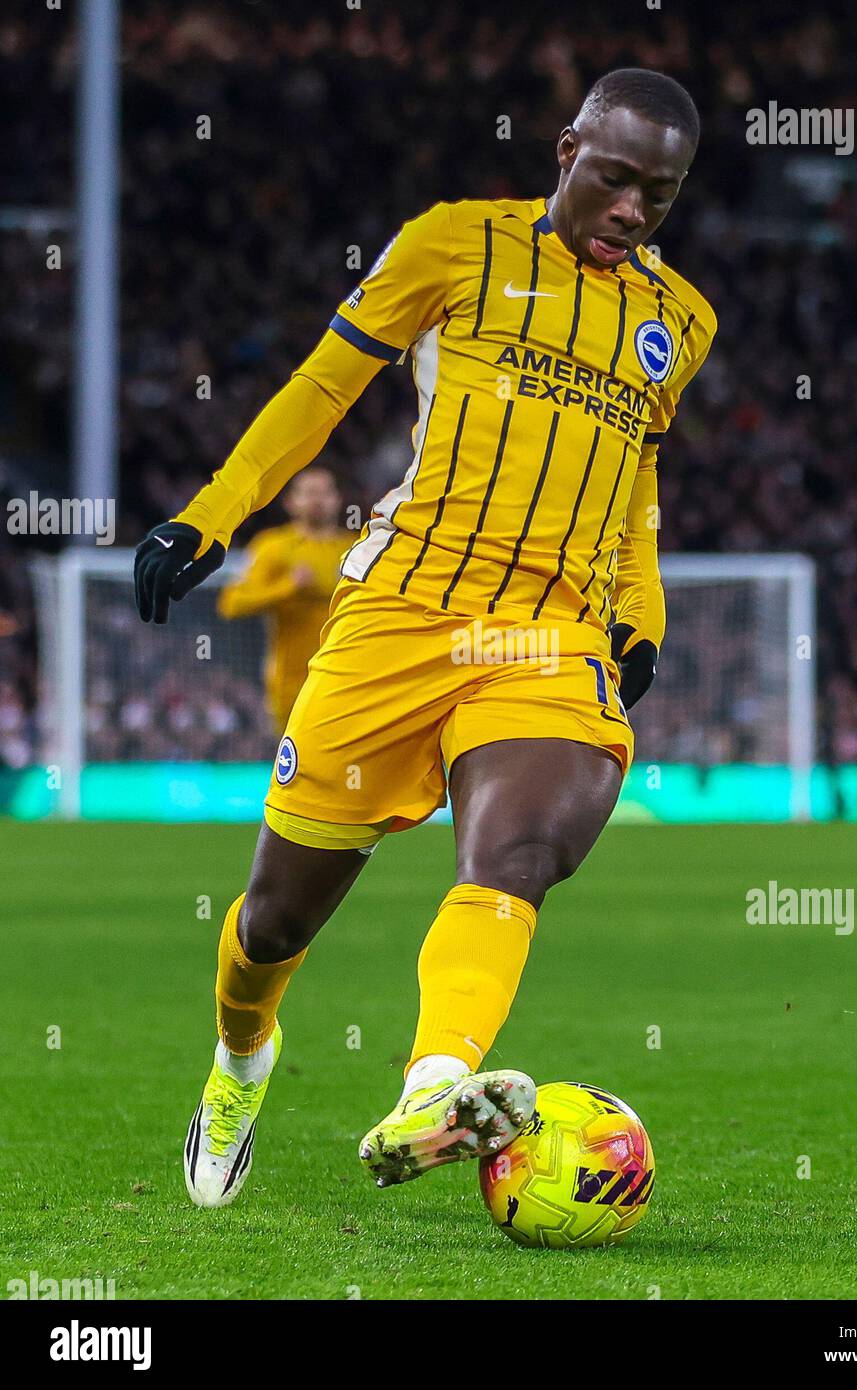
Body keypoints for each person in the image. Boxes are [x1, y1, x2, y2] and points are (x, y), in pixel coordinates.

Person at [133, 67, 717, 1207]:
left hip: (551, 633)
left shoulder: (678, 322)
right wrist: (212, 513)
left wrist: (638, 612)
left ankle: (433, 1089)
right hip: (403, 605)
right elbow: (323, 384)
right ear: (564, 150)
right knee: (273, 917)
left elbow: (635, 482)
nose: (632, 212)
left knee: (516, 858)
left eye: (661, 192)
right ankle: (240, 1064)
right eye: (614, 180)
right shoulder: (455, 246)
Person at [217, 467, 355, 732]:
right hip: (291, 683)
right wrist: (288, 587)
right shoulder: (272, 547)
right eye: (309, 493)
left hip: (347, 679)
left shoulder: (355, 549)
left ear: (338, 499)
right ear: (291, 502)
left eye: (325, 492)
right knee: (294, 765)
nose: (317, 500)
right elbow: (231, 603)